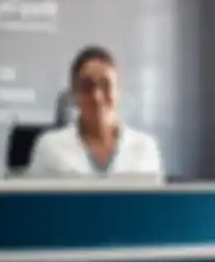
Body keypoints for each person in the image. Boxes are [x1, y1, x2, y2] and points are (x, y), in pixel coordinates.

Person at [28, 46, 164, 178]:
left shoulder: (145, 147)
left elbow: (155, 201)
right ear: (75, 95)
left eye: (106, 85)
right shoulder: (50, 147)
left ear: (117, 91)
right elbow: (34, 201)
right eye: (87, 86)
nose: (97, 97)